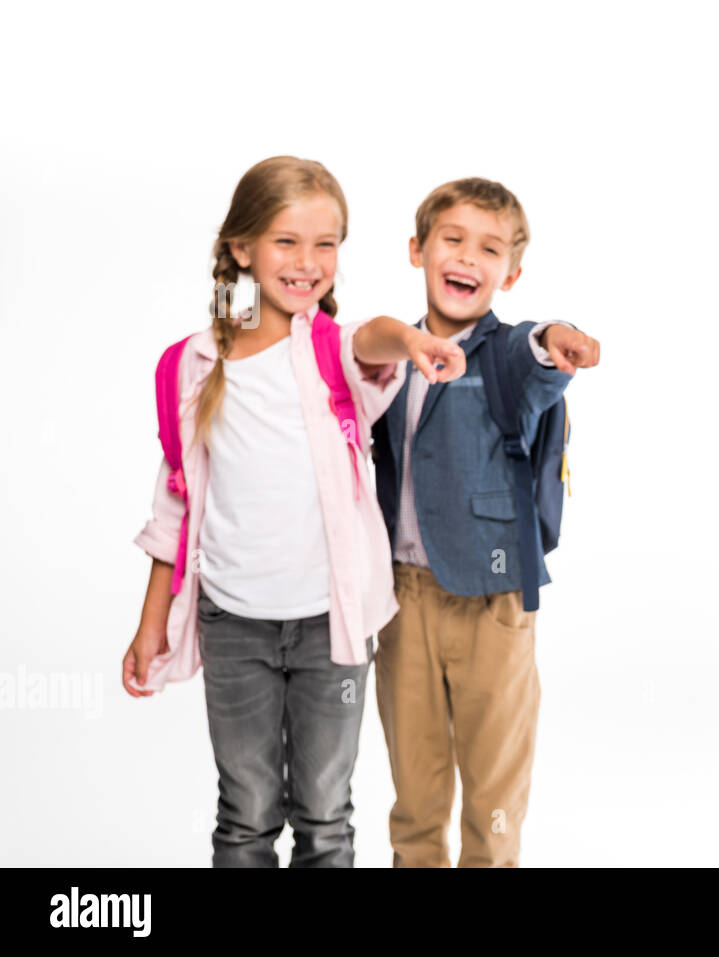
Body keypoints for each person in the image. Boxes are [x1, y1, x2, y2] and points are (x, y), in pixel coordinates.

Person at [122, 155, 466, 867]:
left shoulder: (333, 348)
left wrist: (409, 339)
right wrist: (152, 620)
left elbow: (369, 336)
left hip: (327, 627)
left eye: (326, 243)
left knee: (325, 816)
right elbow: (175, 504)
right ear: (242, 247)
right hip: (232, 624)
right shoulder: (191, 365)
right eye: (287, 241)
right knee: (245, 814)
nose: (309, 262)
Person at [371, 177, 601, 867]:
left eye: (490, 247)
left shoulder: (507, 354)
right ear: (417, 249)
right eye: (453, 239)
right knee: (415, 797)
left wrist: (556, 339)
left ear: (512, 271)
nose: (468, 257)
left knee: (493, 802)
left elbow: (536, 353)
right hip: (400, 596)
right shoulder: (389, 357)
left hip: (493, 603)